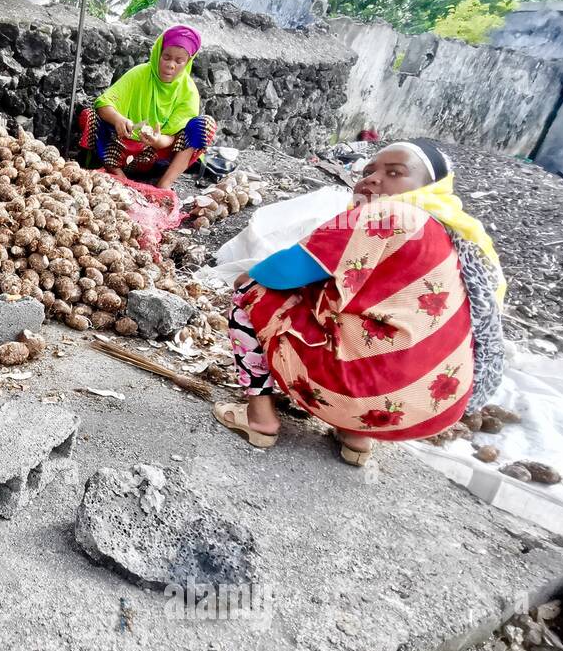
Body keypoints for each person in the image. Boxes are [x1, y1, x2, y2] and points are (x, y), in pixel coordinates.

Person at [213, 138, 506, 467]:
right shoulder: (453, 238)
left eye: (394, 172)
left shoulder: (386, 213)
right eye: (367, 171)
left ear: (430, 187)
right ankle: (355, 437)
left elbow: (283, 271)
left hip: (355, 392)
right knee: (360, 316)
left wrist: (249, 276)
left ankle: (259, 419)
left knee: (251, 288)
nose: (372, 178)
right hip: (427, 411)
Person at [77, 25, 217, 190]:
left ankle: (164, 183)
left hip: (157, 157)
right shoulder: (139, 74)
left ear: (187, 63)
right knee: (89, 116)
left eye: (179, 61)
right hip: (121, 149)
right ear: (158, 54)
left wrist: (158, 141)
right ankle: (117, 173)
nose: (171, 65)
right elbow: (103, 104)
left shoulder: (189, 91)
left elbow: (174, 136)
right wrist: (118, 119)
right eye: (166, 57)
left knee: (205, 125)